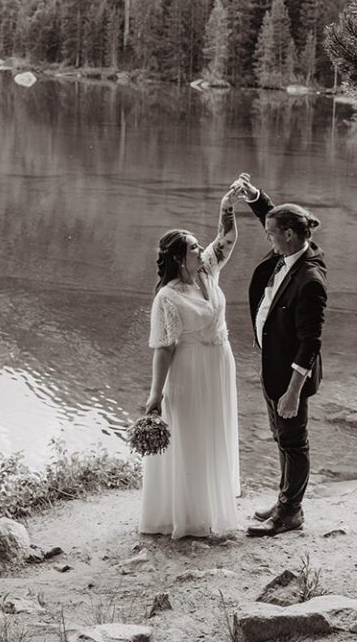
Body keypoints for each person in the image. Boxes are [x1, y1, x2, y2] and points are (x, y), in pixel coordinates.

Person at [138, 181, 244, 538]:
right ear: (178, 258)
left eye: (200, 246)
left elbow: (227, 238)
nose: (203, 250)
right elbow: (164, 348)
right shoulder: (167, 298)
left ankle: (212, 507)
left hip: (218, 364)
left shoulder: (207, 272)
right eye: (194, 248)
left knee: (214, 433)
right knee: (193, 438)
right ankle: (188, 517)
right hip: (189, 371)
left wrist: (227, 203)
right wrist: (155, 395)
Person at [232, 173, 327, 537]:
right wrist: (254, 196)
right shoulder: (290, 246)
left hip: (291, 376)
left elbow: (310, 343)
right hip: (272, 366)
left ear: (288, 234)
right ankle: (285, 499)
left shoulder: (310, 280)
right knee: (280, 436)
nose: (267, 237)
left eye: (271, 234)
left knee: (294, 440)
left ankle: (291, 513)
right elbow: (272, 214)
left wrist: (292, 392)